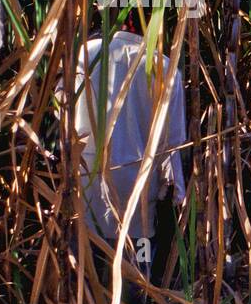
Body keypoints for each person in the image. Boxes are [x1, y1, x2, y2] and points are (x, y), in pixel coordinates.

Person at [72, 25, 186, 272]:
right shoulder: (165, 68)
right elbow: (173, 141)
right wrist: (176, 191)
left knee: (88, 256)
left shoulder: (85, 55)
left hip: (88, 177)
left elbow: (65, 121)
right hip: (140, 184)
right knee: (136, 254)